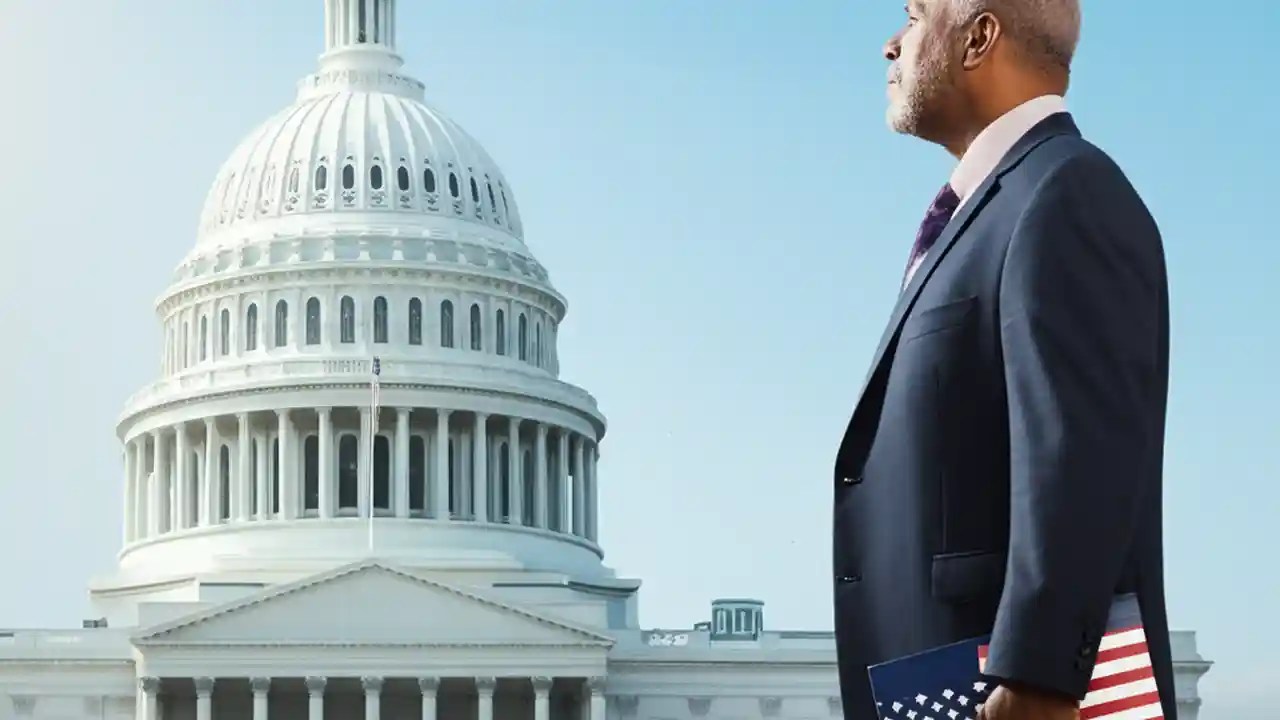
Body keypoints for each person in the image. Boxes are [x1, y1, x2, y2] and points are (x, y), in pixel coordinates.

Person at [831, 1, 1176, 719]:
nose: (890, 45)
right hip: (945, 679)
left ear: (978, 38)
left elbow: (1080, 453)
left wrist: (1038, 678)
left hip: (1010, 691)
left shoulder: (1065, 192)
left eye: (916, 17)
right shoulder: (991, 210)